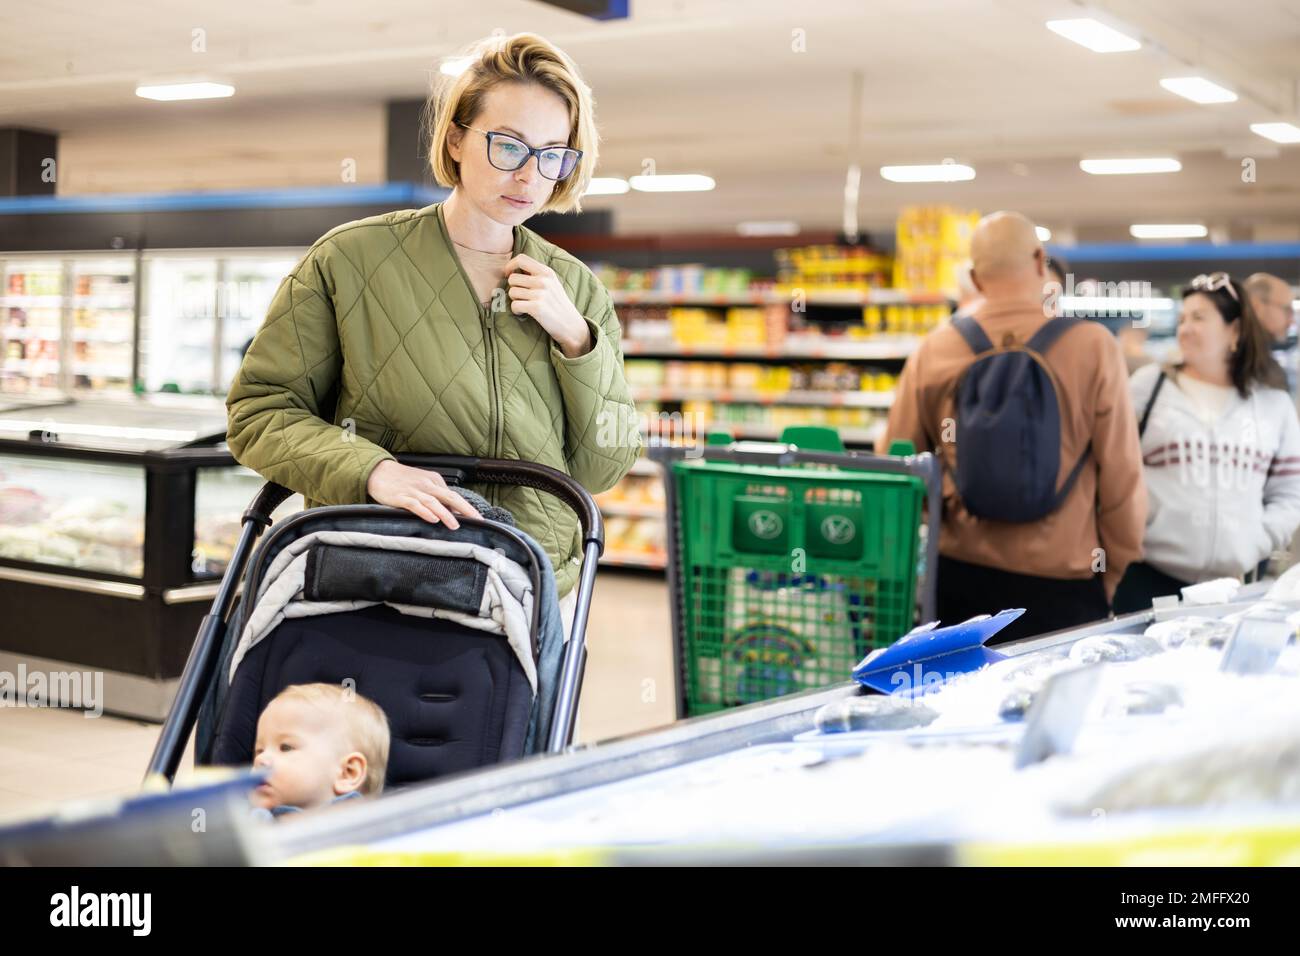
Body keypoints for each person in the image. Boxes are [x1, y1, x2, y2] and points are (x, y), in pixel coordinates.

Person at [225, 33, 641, 637]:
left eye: (554, 154)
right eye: (508, 145)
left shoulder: (575, 289)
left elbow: (604, 467)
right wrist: (372, 471)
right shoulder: (350, 259)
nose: (530, 174)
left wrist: (576, 340)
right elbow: (259, 412)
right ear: (455, 137)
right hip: (380, 567)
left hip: (532, 586)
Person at [880, 211, 1146, 643]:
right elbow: (1122, 476)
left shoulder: (936, 348)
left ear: (974, 277)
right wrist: (1111, 570)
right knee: (1058, 707)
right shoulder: (1093, 345)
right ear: (1041, 260)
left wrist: (951, 510)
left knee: (963, 709)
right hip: (1064, 581)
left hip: (962, 577)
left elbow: (897, 465)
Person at [1114, 273, 1300, 613]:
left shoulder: (1272, 404)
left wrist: (1258, 539)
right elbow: (1114, 471)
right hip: (1148, 581)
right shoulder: (1148, 387)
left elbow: (1290, 491)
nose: (1185, 328)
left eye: (1199, 318)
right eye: (1183, 318)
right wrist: (1135, 531)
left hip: (1236, 590)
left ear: (1235, 330)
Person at [250, 683, 389, 819]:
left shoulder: (360, 828)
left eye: (285, 747)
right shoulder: (247, 818)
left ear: (347, 773)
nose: (260, 760)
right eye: (259, 751)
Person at [1245, 272, 1297, 393]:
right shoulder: (1229, 363)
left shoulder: (1267, 366)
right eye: (1286, 309)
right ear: (1256, 305)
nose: (1291, 320)